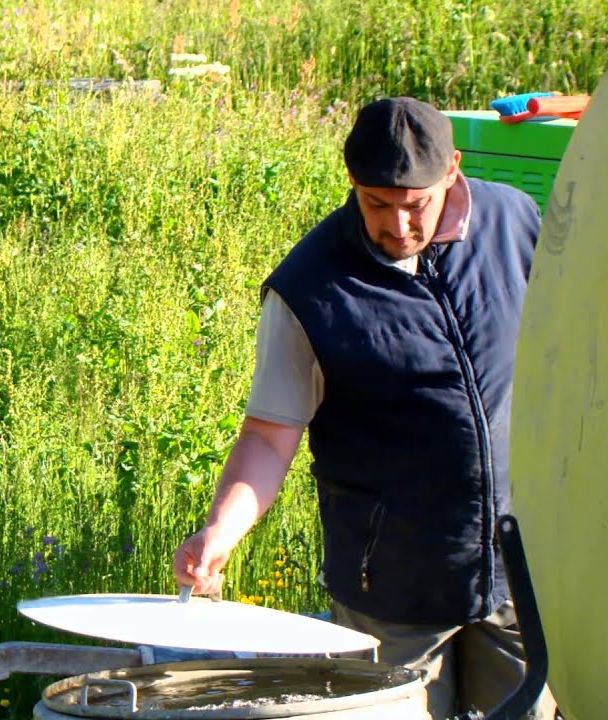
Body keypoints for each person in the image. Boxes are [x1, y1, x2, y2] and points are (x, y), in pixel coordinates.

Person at [172, 97, 559, 720]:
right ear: (352, 184)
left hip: (520, 572)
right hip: (393, 592)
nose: (400, 225)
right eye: (378, 204)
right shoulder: (311, 287)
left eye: (417, 205)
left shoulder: (515, 222)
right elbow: (271, 436)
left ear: (454, 170)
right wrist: (221, 529)